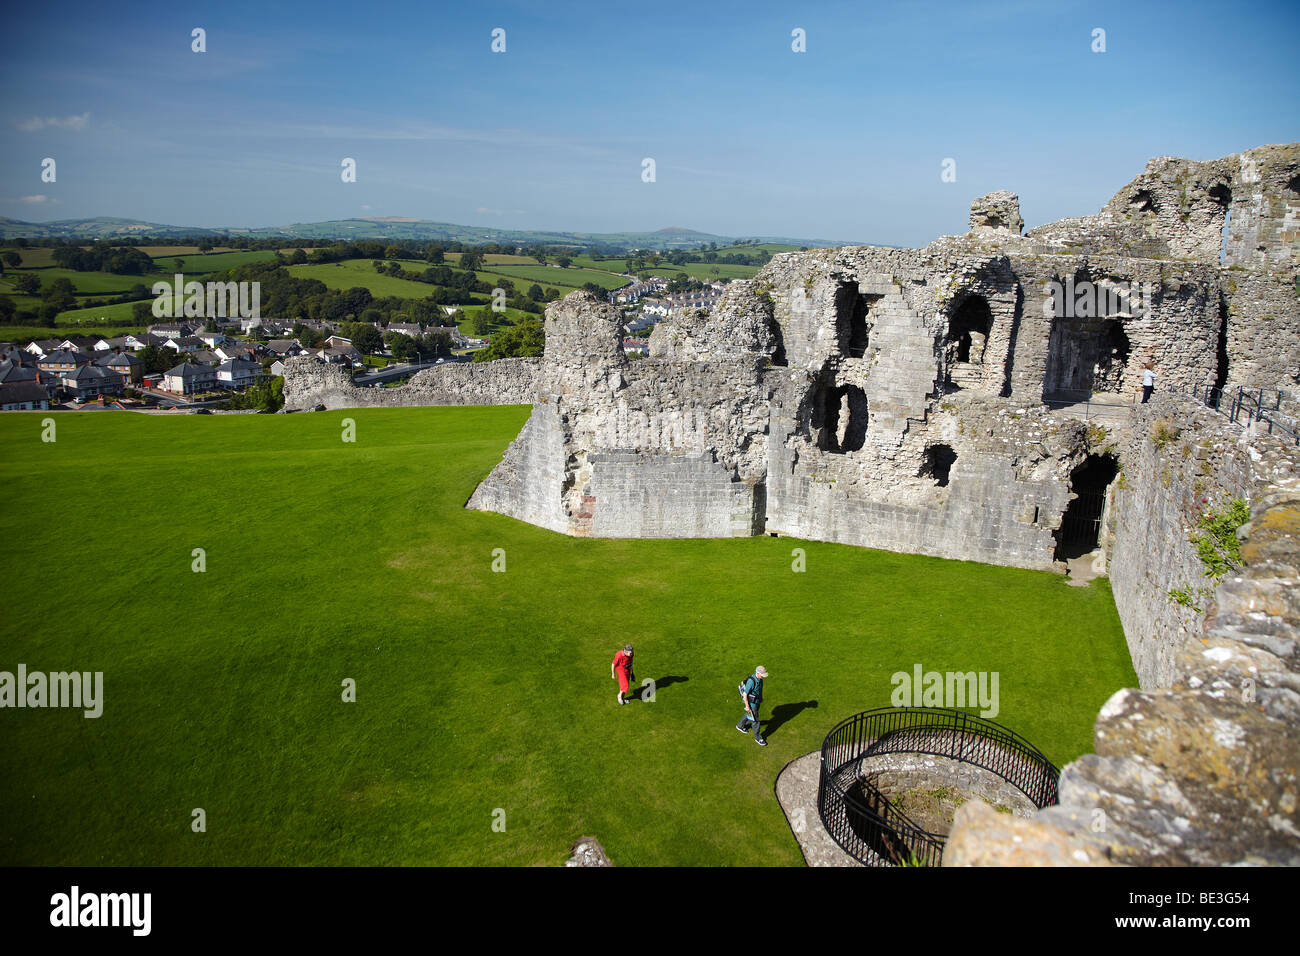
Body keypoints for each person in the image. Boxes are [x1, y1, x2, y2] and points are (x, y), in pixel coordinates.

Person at [736, 666, 769, 746]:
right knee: (756, 721)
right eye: (762, 675)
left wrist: (760, 699)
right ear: (757, 673)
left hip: (757, 702)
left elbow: (759, 691)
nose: (763, 677)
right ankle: (758, 738)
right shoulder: (751, 681)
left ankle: (740, 726)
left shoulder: (760, 680)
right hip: (752, 704)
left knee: (750, 715)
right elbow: (745, 695)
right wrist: (747, 706)